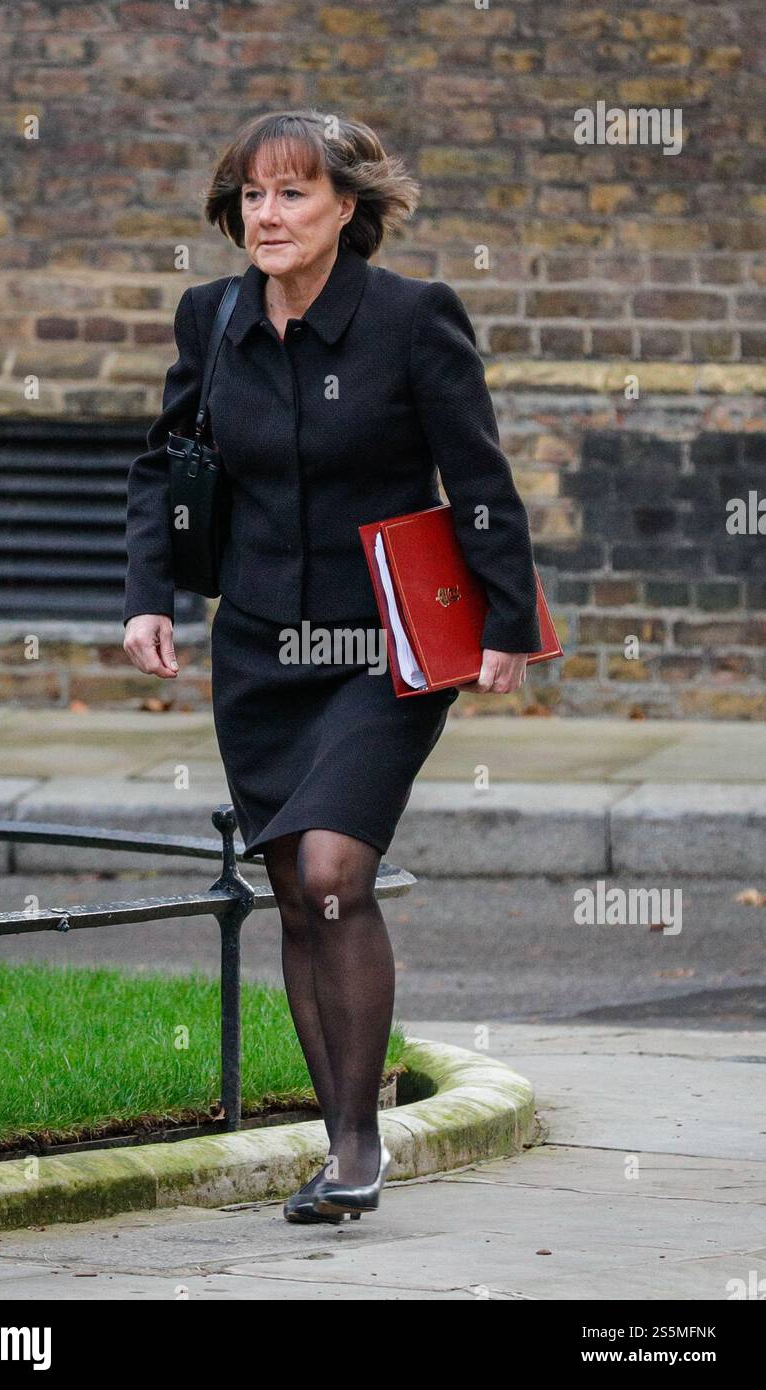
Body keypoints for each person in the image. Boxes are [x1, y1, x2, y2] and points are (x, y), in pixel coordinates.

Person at [123, 109, 542, 1223]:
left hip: (382, 647)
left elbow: (478, 476)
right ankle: (339, 1141)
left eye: (292, 194)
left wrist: (507, 621)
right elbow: (165, 466)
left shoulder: (411, 319)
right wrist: (148, 598)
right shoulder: (211, 318)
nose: (267, 215)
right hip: (256, 648)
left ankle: (359, 1143)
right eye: (252, 196)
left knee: (329, 872)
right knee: (291, 899)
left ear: (345, 209)